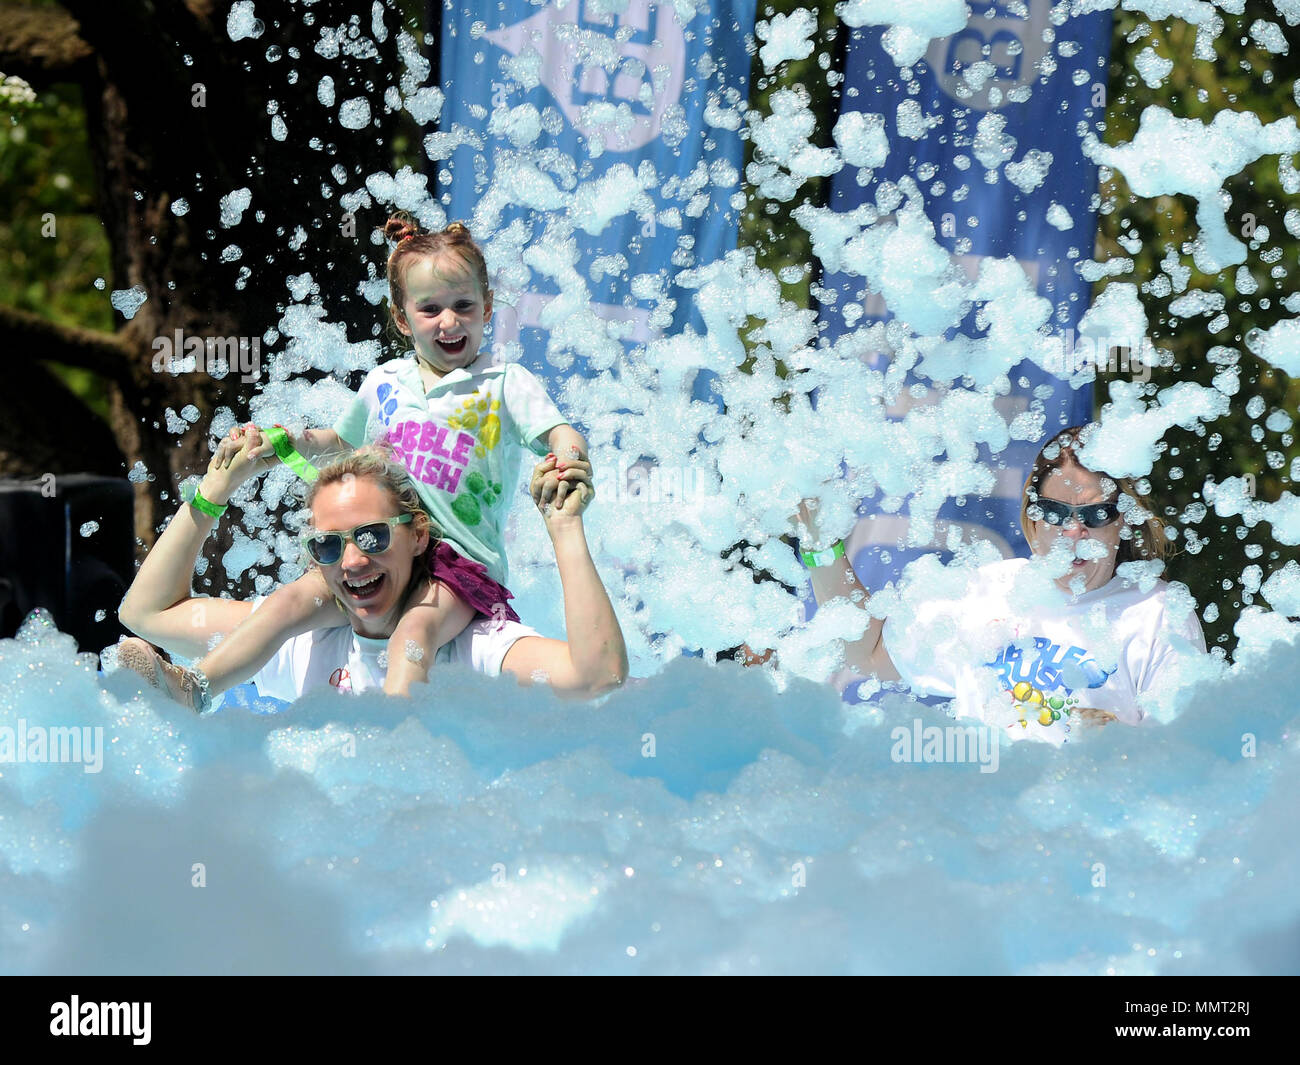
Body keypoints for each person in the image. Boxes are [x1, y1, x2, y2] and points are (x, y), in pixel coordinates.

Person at [161, 212, 594, 705]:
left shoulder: (504, 384)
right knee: (286, 603)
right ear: (403, 318)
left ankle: (392, 732)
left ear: (488, 307)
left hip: (457, 566)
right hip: (383, 546)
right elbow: (343, 446)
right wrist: (290, 441)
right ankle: (196, 686)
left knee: (415, 633)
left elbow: (560, 434)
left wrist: (569, 459)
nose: (449, 321)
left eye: (464, 306)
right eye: (430, 309)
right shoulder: (384, 381)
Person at [115, 439, 626, 708]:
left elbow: (598, 677)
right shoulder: (299, 644)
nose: (354, 561)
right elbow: (145, 613)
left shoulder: (474, 647)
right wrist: (211, 495)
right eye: (328, 547)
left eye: (374, 537)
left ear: (418, 535)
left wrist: (564, 529)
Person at [797, 425, 1207, 744]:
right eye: (1056, 513)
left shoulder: (1158, 613)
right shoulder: (987, 591)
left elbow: (1183, 756)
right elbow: (865, 653)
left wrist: (1118, 742)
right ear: (1032, 518)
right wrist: (820, 543)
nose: (1075, 530)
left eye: (1097, 514)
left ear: (1123, 520)